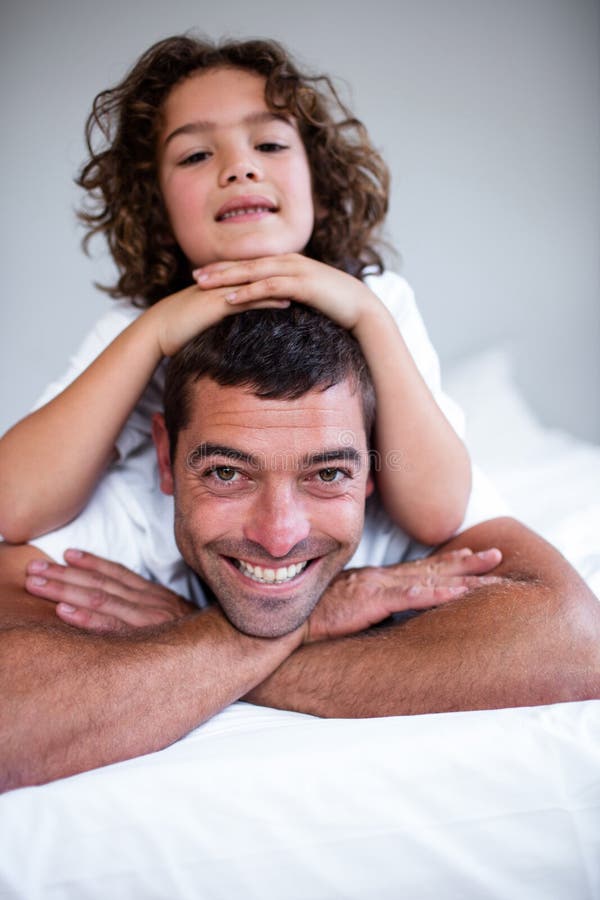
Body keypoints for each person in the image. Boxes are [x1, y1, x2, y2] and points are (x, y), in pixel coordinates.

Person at [1, 307, 599, 792]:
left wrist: (198, 635)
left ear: (372, 464)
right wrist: (291, 626)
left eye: (328, 473)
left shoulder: (418, 509)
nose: (279, 534)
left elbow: (578, 641)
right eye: (228, 474)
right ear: (165, 458)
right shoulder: (105, 522)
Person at [0, 34, 471, 557]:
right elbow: (15, 503)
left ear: (317, 181)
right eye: (197, 154)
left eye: (269, 145)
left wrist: (368, 318)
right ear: (156, 207)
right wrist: (153, 334)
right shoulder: (137, 328)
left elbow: (437, 511)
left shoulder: (378, 301)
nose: (240, 168)